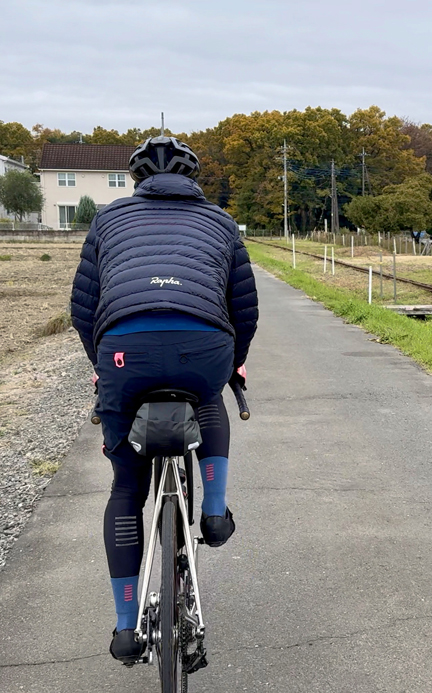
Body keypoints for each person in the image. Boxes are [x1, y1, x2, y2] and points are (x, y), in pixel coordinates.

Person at [70, 136, 258, 664]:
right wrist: (235, 361)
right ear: (191, 179)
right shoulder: (221, 221)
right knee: (209, 398)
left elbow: (83, 308)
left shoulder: (108, 219)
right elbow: (244, 308)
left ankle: (126, 628)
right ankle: (214, 514)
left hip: (123, 352)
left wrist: (101, 365)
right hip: (204, 347)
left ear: (138, 181)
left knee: (127, 486)